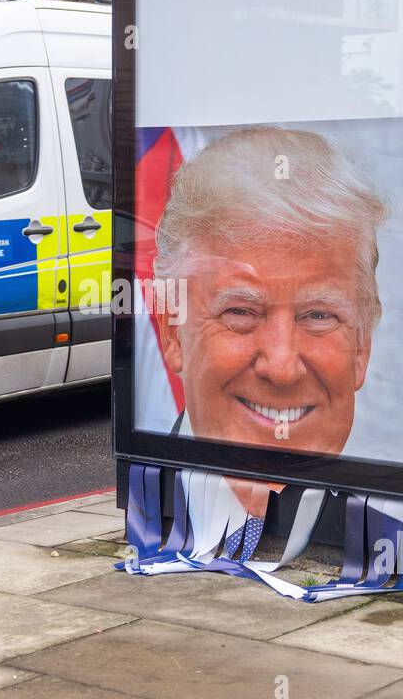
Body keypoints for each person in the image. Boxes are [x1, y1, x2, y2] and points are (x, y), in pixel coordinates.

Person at [152, 126, 386, 462]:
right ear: (173, 332)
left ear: (362, 347)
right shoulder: (148, 499)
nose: (282, 369)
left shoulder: (399, 514)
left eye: (319, 315)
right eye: (241, 312)